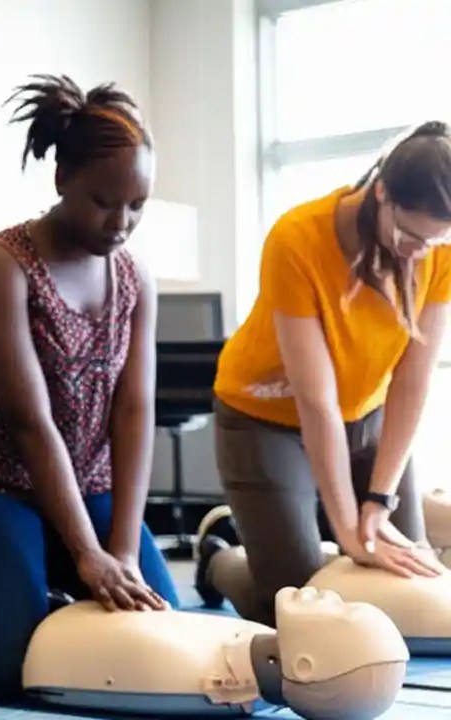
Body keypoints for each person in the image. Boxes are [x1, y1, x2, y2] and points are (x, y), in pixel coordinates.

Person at [0, 74, 178, 704]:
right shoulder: (0, 266)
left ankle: (42, 594)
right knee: (4, 674)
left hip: (90, 487)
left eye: (137, 205)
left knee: (162, 641)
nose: (121, 222)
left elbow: (134, 408)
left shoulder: (135, 276)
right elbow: (28, 421)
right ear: (62, 178)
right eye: (103, 201)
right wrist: (87, 555)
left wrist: (121, 545)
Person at [202, 121, 451, 627]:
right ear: (380, 191)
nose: (421, 252)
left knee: (412, 580)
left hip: (368, 413)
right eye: (409, 235)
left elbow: (413, 378)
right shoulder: (297, 239)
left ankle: (303, 530)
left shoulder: (438, 247)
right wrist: (347, 526)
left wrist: (379, 500)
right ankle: (221, 562)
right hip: (265, 417)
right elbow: (316, 401)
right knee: (297, 602)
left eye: (437, 239)